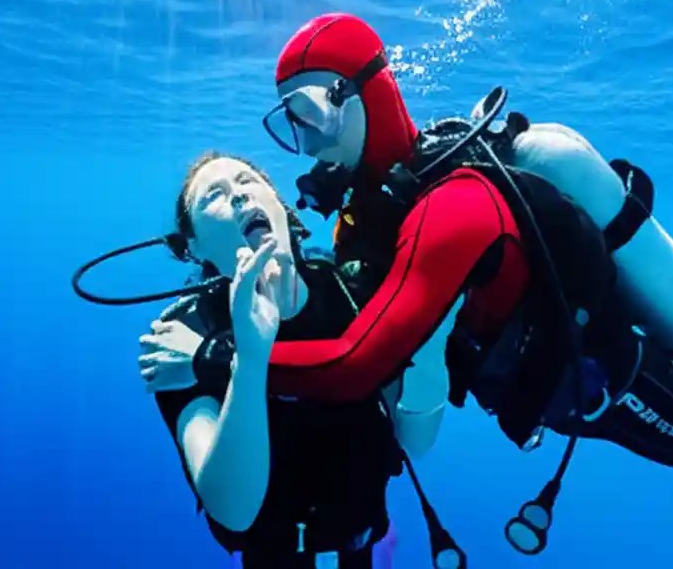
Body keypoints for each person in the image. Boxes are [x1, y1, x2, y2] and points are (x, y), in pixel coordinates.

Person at [241, 11, 673, 552]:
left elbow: (357, 360)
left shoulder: (451, 209)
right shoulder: (367, 216)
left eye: (311, 115)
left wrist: (228, 359)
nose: (307, 144)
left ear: (362, 93)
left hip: (606, 377)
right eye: (288, 126)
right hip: (548, 389)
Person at [130, 151, 452, 569]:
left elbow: (413, 442)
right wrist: (247, 358)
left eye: (248, 181)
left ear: (280, 207)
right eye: (215, 195)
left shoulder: (352, 295)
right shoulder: (187, 335)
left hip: (361, 546)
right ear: (194, 245)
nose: (240, 196)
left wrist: (432, 345)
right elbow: (232, 509)